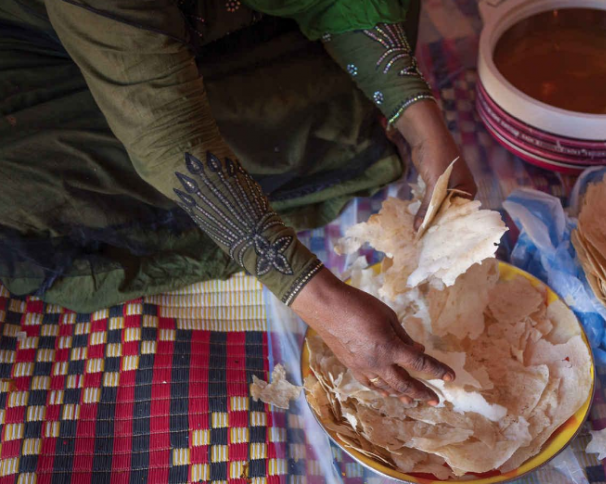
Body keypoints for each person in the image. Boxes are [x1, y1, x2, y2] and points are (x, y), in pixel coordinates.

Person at [0, 0, 477, 404]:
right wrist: (319, 299)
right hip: (56, 68)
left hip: (224, 23)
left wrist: (422, 126)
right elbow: (168, 136)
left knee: (344, 114)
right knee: (41, 199)